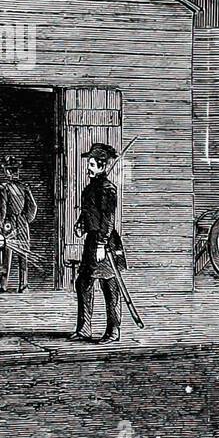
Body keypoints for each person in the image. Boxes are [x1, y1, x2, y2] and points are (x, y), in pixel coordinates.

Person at [69, 142, 123, 343]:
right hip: (92, 240)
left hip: (105, 243)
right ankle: (84, 329)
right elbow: (88, 212)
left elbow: (108, 219)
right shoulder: (90, 188)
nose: (88, 168)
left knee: (110, 286)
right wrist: (80, 225)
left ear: (101, 166)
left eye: (91, 164)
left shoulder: (108, 189)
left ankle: (113, 330)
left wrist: (101, 243)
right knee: (83, 283)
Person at [0, 154, 37, 293]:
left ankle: (3, 285)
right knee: (23, 254)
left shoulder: (3, 188)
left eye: (5, 170)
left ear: (7, 171)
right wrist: (25, 219)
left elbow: (2, 209)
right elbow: (33, 207)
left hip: (9, 223)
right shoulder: (25, 187)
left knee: (6, 255)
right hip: (22, 223)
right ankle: (23, 285)